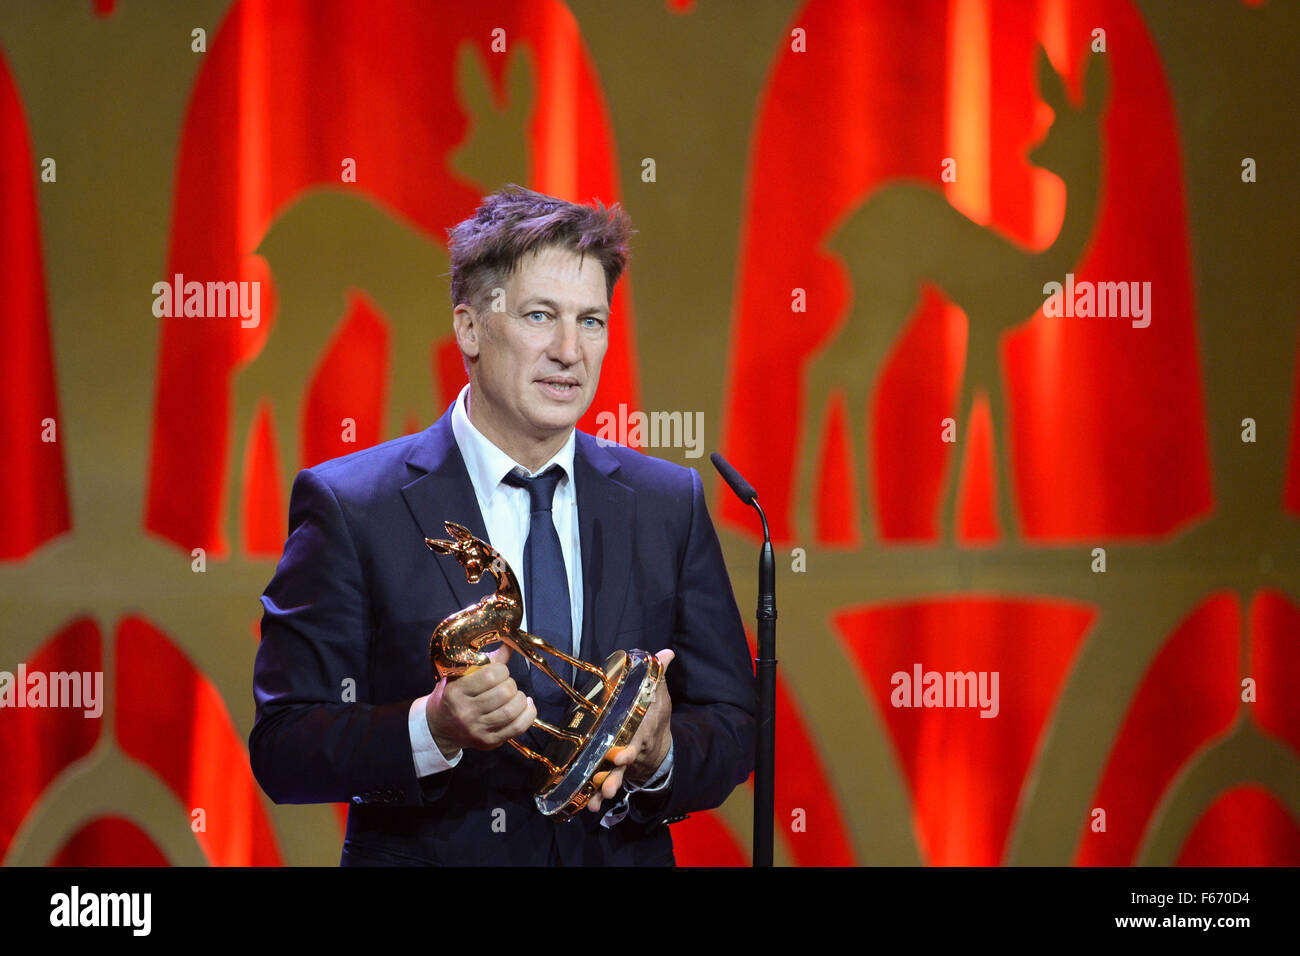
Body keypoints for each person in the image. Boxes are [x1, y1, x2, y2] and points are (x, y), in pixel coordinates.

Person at [249, 184, 757, 865]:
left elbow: (733, 726)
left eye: (592, 321)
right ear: (469, 327)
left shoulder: (667, 502)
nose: (570, 351)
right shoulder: (351, 504)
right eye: (541, 316)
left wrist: (660, 753)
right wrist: (432, 728)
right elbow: (284, 747)